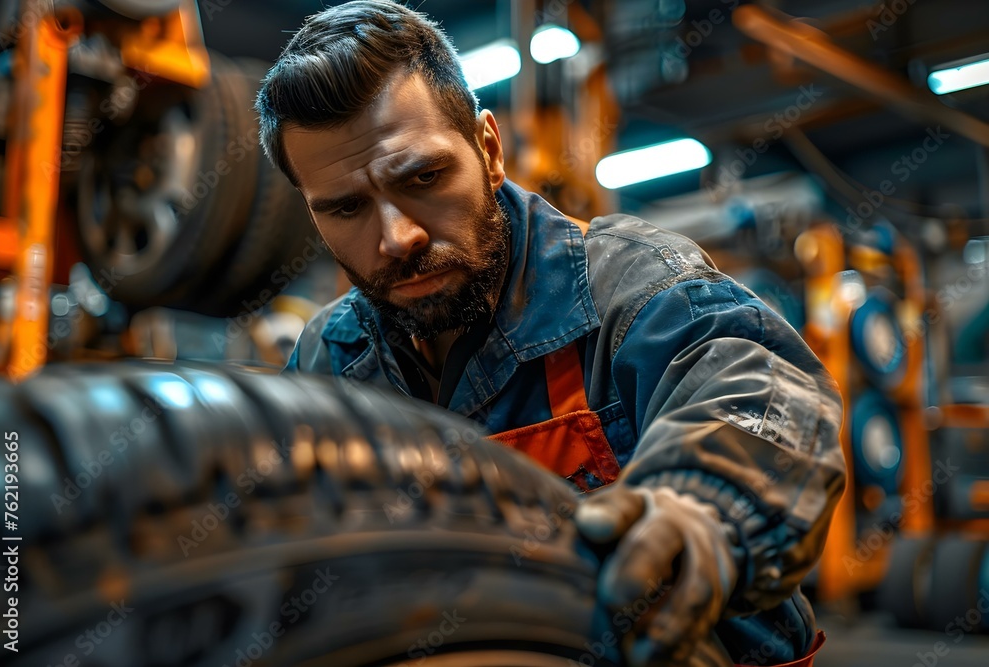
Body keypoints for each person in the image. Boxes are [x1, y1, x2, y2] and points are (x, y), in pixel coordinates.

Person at [256, 2, 846, 665]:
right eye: (344, 208)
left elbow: (754, 394)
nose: (397, 238)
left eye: (423, 178)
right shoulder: (327, 360)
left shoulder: (629, 287)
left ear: (488, 149)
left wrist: (700, 509)